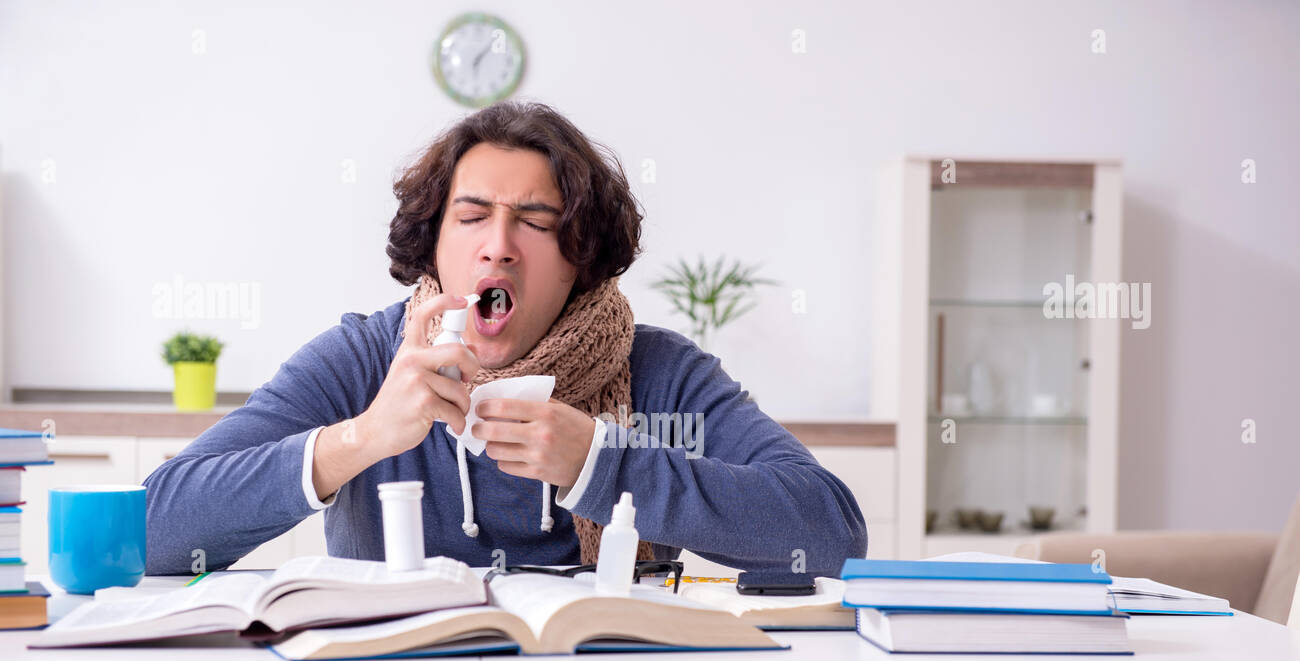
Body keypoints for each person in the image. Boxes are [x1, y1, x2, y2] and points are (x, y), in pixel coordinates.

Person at [143, 101, 867, 576]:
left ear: (578, 257)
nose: (499, 245)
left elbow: (832, 535)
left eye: (536, 220)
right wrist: (360, 440)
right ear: (433, 245)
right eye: (472, 216)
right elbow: (153, 531)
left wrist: (604, 464)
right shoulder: (363, 362)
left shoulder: (658, 372)